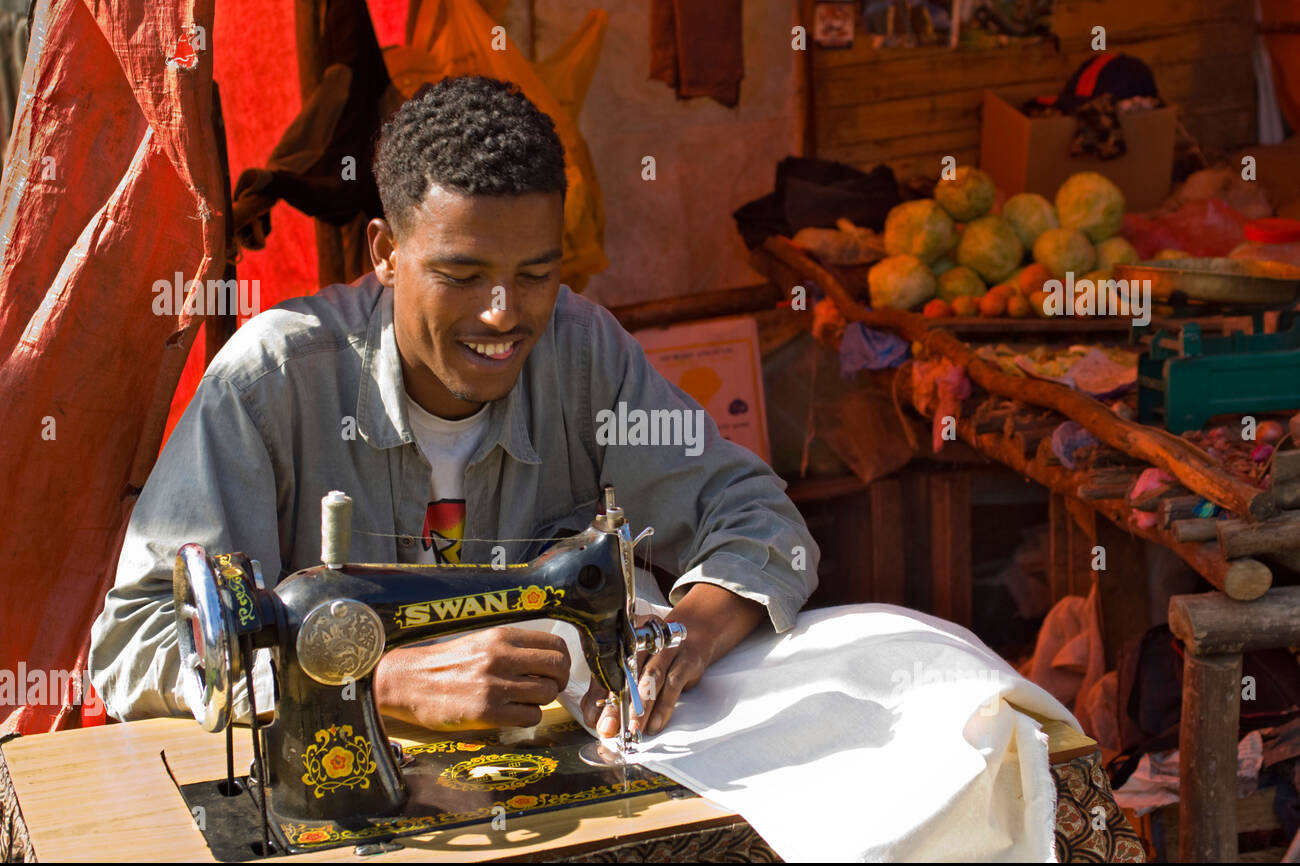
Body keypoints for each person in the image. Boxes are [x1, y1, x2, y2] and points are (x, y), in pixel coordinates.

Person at [90, 75, 818, 741]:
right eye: (462, 275)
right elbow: (139, 638)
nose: (504, 315)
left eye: (535, 274)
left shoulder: (583, 355)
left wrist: (680, 644)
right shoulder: (271, 384)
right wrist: (370, 682)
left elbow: (761, 522)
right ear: (384, 251)